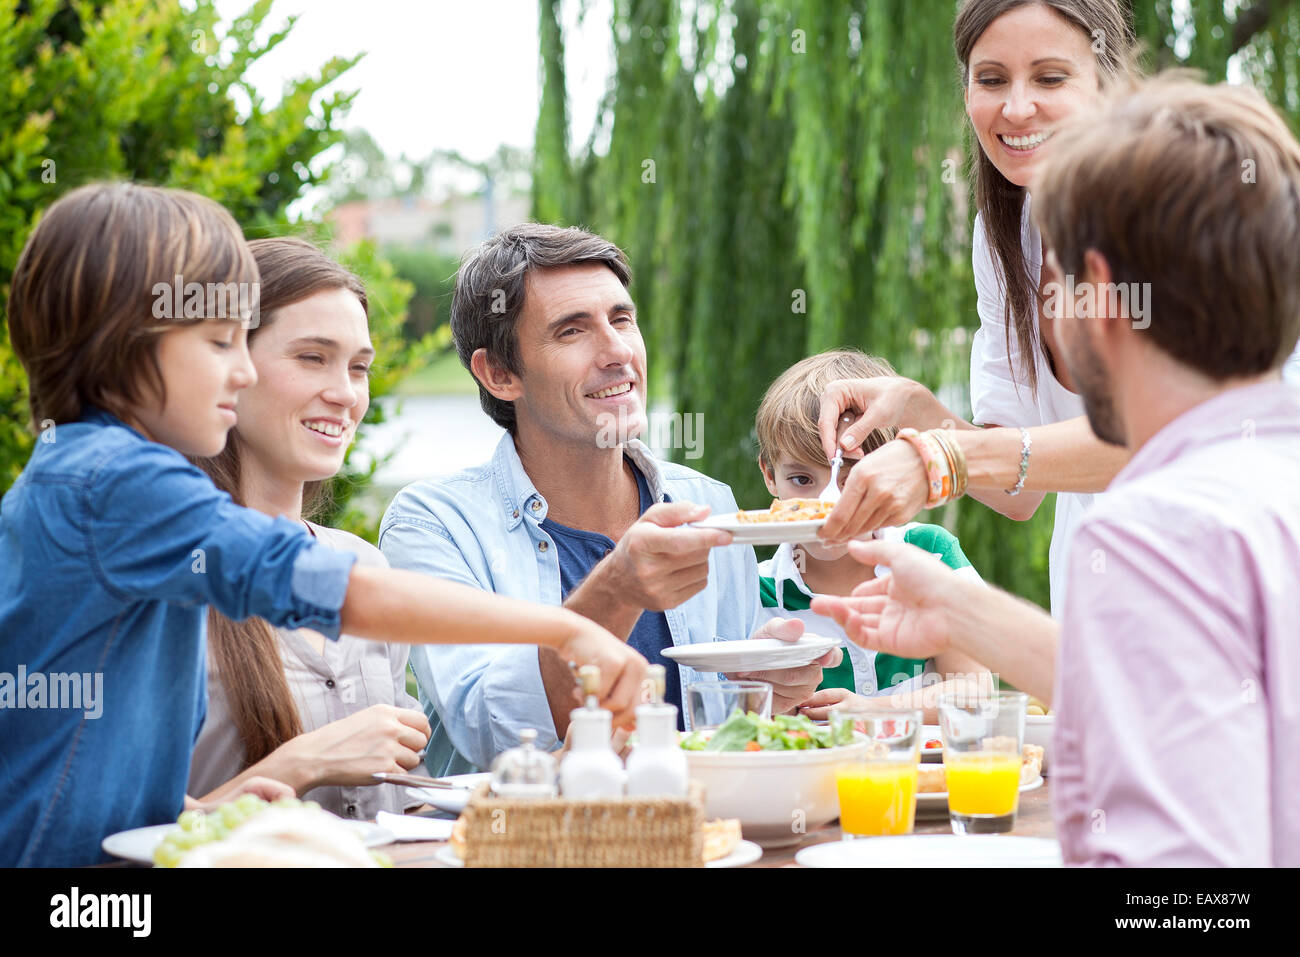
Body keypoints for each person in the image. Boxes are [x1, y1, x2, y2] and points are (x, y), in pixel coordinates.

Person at [0, 184, 644, 866]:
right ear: (130, 344)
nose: (242, 368)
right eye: (220, 342)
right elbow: (344, 592)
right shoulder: (114, 479)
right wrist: (564, 627)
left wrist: (213, 814)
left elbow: (124, 801)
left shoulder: (96, 483)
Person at [816, 77, 1300, 866]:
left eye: (1048, 288)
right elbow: (1202, 696)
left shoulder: (1152, 532)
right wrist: (964, 611)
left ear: (1099, 297)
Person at [814, 0, 1300, 614]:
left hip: (1231, 574)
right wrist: (922, 412)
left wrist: (944, 458)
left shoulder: (1171, 210)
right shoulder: (1004, 236)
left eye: (1050, 77)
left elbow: (1169, 431)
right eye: (991, 79)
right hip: (1100, 594)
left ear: (1106, 80)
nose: (1016, 108)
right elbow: (1022, 488)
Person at [380, 223, 839, 775]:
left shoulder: (708, 502)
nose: (619, 351)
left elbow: (726, 745)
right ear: (499, 373)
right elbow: (489, 735)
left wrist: (763, 689)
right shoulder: (434, 526)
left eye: (622, 319)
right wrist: (616, 589)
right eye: (572, 331)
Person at [187, 237, 429, 820]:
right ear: (228, 367)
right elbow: (121, 852)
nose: (345, 394)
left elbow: (396, 815)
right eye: (311, 357)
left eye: (359, 367)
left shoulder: (365, 566)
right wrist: (303, 763)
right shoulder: (170, 583)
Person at [750, 350, 990, 723]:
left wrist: (872, 711)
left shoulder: (930, 553)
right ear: (769, 475)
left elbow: (975, 690)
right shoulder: (754, 591)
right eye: (801, 480)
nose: (827, 505)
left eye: (853, 479)